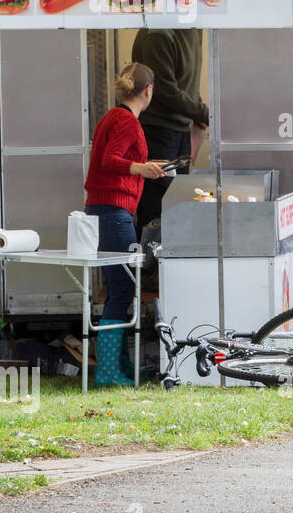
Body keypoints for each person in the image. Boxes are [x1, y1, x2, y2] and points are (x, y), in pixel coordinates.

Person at [84, 63, 165, 386]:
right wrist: (139, 169)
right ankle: (108, 370)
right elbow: (109, 161)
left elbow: (110, 158)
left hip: (102, 210)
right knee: (122, 287)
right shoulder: (127, 122)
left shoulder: (112, 116)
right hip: (113, 212)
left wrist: (147, 166)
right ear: (148, 91)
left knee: (118, 286)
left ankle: (119, 364)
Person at [131, 28, 208, 235]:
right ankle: (150, 266)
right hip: (158, 131)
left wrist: (198, 113)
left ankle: (173, 263)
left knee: (177, 207)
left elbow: (188, 85)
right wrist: (205, 113)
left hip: (180, 130)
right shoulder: (158, 35)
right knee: (157, 209)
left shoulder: (192, 29)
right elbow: (166, 91)